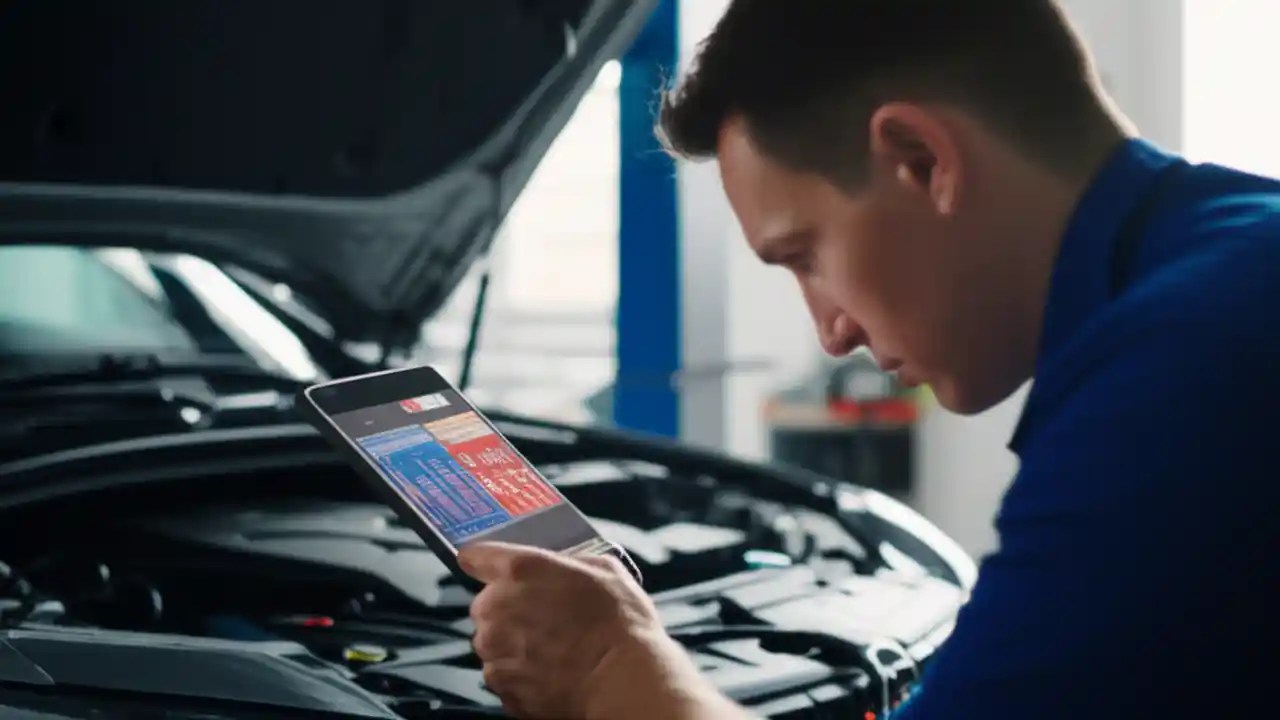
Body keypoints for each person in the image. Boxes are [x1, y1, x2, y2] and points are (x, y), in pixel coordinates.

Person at [458, 1, 1280, 718]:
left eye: (804, 255)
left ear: (920, 161)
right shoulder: (1235, 264)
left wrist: (611, 669)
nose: (831, 334)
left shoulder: (1179, 378)